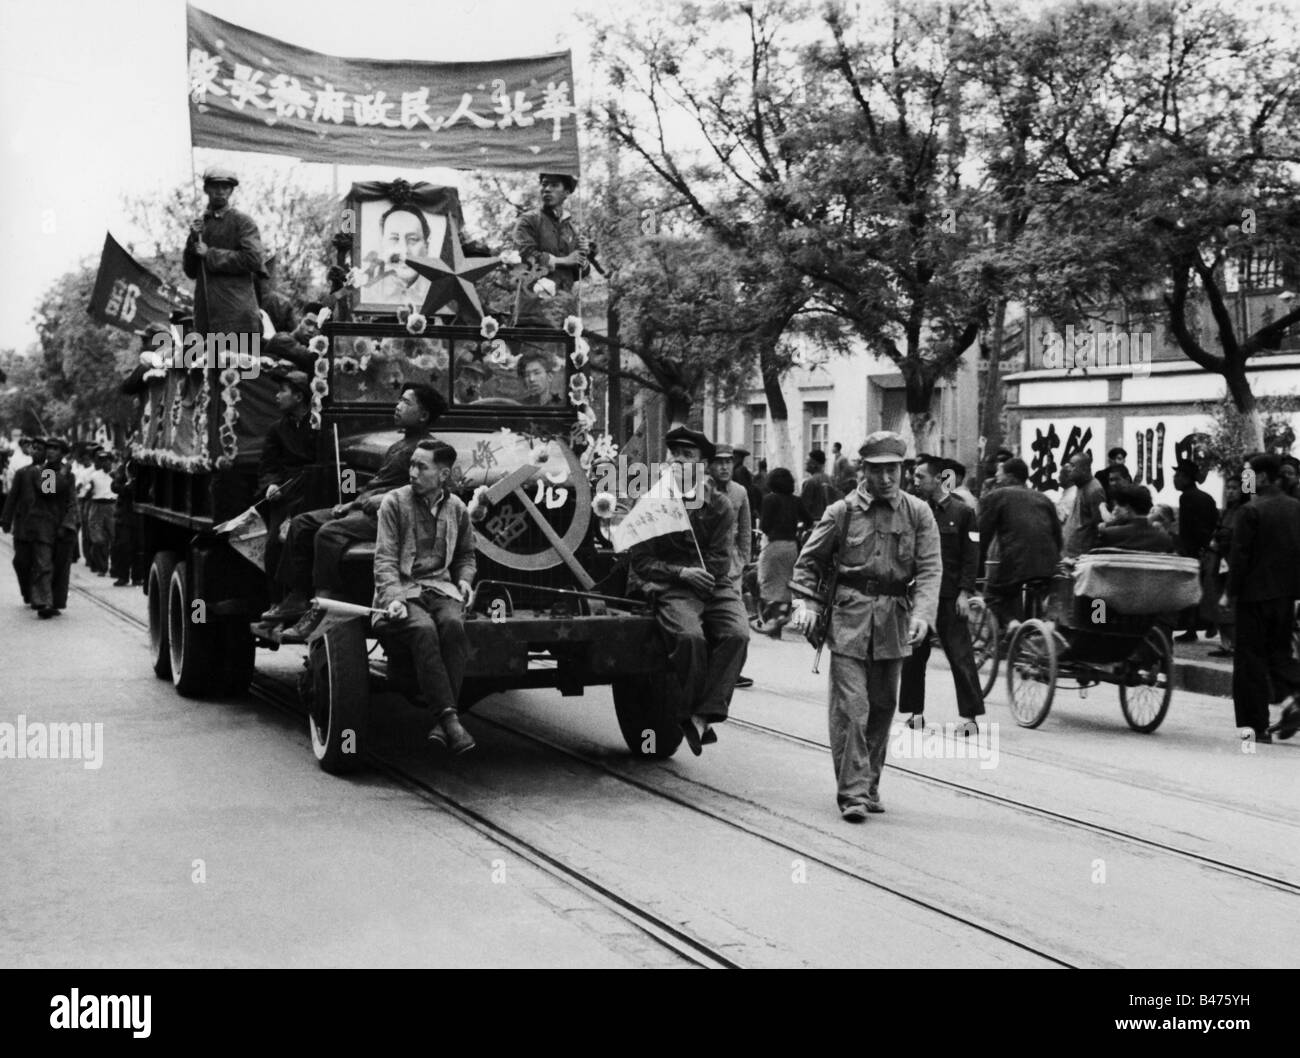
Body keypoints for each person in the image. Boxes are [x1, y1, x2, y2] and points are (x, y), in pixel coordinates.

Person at [790, 432, 941, 823]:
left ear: (902, 470)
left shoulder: (919, 513)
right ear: (864, 470)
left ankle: (869, 782)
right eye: (878, 470)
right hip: (848, 618)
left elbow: (929, 569)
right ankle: (853, 793)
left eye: (893, 469)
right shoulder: (842, 512)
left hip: (894, 621)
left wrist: (924, 615)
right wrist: (805, 603)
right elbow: (809, 562)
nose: (887, 478)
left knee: (882, 707)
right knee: (851, 708)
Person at [268, 383, 447, 641]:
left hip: (390, 517)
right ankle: (295, 595)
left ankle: (324, 603)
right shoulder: (401, 444)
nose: (398, 406)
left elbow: (428, 487)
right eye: (399, 400)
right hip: (366, 508)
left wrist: (383, 498)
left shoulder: (429, 449)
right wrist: (350, 505)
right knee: (302, 523)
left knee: (327, 534)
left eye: (406, 403)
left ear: (423, 416)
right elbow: (379, 484)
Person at [627, 426, 749, 755]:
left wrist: (702, 574)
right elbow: (641, 562)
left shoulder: (721, 506)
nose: (679, 461)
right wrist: (681, 572)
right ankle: (689, 715)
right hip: (673, 585)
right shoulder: (651, 501)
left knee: (738, 634)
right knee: (689, 638)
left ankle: (702, 714)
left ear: (703, 465)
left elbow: (721, 561)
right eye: (674, 454)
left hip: (714, 583)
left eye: (688, 456)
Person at [375, 440, 477, 754]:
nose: (413, 472)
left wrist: (464, 581)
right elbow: (385, 559)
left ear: (443, 474)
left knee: (452, 626)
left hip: (441, 589)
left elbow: (466, 556)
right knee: (422, 630)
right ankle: (450, 721)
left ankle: (442, 723)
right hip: (403, 591)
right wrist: (392, 596)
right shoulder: (393, 503)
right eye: (412, 464)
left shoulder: (457, 508)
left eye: (422, 466)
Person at [899, 456, 984, 735]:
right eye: (914, 476)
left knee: (960, 656)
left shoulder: (962, 512)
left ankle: (970, 718)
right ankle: (915, 713)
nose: (915, 481)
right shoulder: (916, 511)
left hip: (949, 596)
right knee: (913, 656)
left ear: (938, 478)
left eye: (920, 476)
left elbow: (971, 557)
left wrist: (964, 593)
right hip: (921, 595)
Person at [1222, 454, 1300, 744]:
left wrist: (1229, 593)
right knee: (1279, 653)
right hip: (1285, 595)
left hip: (1254, 596)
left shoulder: (1250, 511)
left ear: (1263, 477)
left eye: (1250, 475)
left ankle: (1256, 727)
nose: (1246, 480)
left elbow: (1239, 556)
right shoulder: (1295, 508)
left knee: (1250, 661)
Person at [977, 457, 1062, 627]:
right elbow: (1057, 537)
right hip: (1049, 563)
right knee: (1038, 593)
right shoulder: (1043, 498)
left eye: (999, 475)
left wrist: (976, 568)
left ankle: (1012, 625)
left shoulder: (996, 496)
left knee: (993, 596)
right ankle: (1042, 627)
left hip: (1017, 559)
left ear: (1011, 476)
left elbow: (982, 535)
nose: (997, 479)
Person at [182, 167, 266, 338]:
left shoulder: (242, 222)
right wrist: (192, 241)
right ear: (206, 189)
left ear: (231, 191)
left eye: (225, 187)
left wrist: (210, 254)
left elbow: (253, 259)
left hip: (238, 319)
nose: (220, 192)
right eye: (215, 186)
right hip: (207, 320)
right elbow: (191, 271)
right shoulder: (200, 226)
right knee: (210, 364)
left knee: (240, 365)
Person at [1, 437, 76, 618]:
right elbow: (48, 491)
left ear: (63, 453)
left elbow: (72, 502)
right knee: (42, 564)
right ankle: (43, 602)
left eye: (55, 449)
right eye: (48, 448)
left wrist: (68, 523)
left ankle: (54, 601)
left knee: (59, 567)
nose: (50, 452)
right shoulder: (43, 471)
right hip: (42, 525)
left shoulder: (68, 474)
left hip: (62, 525)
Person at [257, 368, 318, 586]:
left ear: (299, 396)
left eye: (282, 391)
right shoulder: (277, 429)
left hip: (314, 492)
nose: (277, 396)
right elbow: (268, 465)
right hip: (286, 493)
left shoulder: (320, 425)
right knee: (275, 543)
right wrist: (271, 484)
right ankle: (276, 602)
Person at [707, 444, 753, 690]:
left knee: (736, 623)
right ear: (709, 465)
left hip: (732, 566)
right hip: (706, 564)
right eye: (719, 462)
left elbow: (745, 530)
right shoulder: (701, 490)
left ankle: (732, 671)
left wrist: (743, 560)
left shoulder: (740, 492)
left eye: (728, 462)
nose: (725, 467)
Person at [512, 173, 592, 293]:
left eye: (554, 185)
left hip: (565, 302)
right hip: (533, 302)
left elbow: (579, 273)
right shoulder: (528, 219)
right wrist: (564, 261)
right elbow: (524, 254)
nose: (547, 189)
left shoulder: (571, 228)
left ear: (566, 192)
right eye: (544, 184)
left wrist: (582, 258)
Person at [752, 467, 801, 637]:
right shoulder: (796, 500)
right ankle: (780, 620)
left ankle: (773, 624)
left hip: (773, 546)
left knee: (768, 584)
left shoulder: (769, 499)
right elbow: (808, 520)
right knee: (785, 587)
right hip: (792, 547)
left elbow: (764, 526)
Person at [1173, 460, 1218, 643]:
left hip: (1193, 550)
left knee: (1192, 590)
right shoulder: (1206, 497)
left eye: (1177, 476)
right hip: (1206, 548)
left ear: (1185, 478)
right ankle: (1209, 623)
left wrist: (1187, 549)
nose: (1174, 480)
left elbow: (1188, 528)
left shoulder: (1187, 498)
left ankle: (1192, 627)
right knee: (1204, 589)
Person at [1203, 473, 1247, 657]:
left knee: (1228, 604)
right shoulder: (1228, 511)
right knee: (1214, 599)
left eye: (1234, 488)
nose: (1230, 492)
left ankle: (1233, 644)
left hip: (1230, 561)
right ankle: (1226, 643)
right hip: (1218, 560)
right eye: (1228, 488)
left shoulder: (1244, 511)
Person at [361, 203, 433, 307]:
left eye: (412, 239)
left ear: (427, 246)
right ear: (383, 245)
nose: (403, 250)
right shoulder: (366, 295)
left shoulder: (442, 295)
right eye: (394, 239)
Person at [1095, 483, 1174, 552]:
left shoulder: (1109, 534)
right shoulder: (1164, 539)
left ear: (1127, 508)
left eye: (1117, 505)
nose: (1115, 509)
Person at [1060, 451, 1105, 557]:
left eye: (1073, 466)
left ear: (1085, 469)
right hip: (1070, 554)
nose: (1068, 469)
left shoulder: (1094, 490)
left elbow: (1099, 528)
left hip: (1080, 556)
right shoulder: (1080, 486)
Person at [84, 448, 118, 575]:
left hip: (111, 506)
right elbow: (87, 490)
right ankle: (101, 566)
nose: (105, 463)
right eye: (102, 460)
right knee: (98, 539)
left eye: (107, 460)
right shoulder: (93, 476)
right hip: (97, 506)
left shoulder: (116, 474)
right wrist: (87, 490)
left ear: (111, 461)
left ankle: (114, 568)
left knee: (114, 538)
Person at [798, 449, 840, 533]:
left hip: (814, 526)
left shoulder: (810, 482)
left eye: (807, 461)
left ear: (814, 464)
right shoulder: (830, 479)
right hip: (830, 523)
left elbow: (803, 507)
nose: (805, 463)